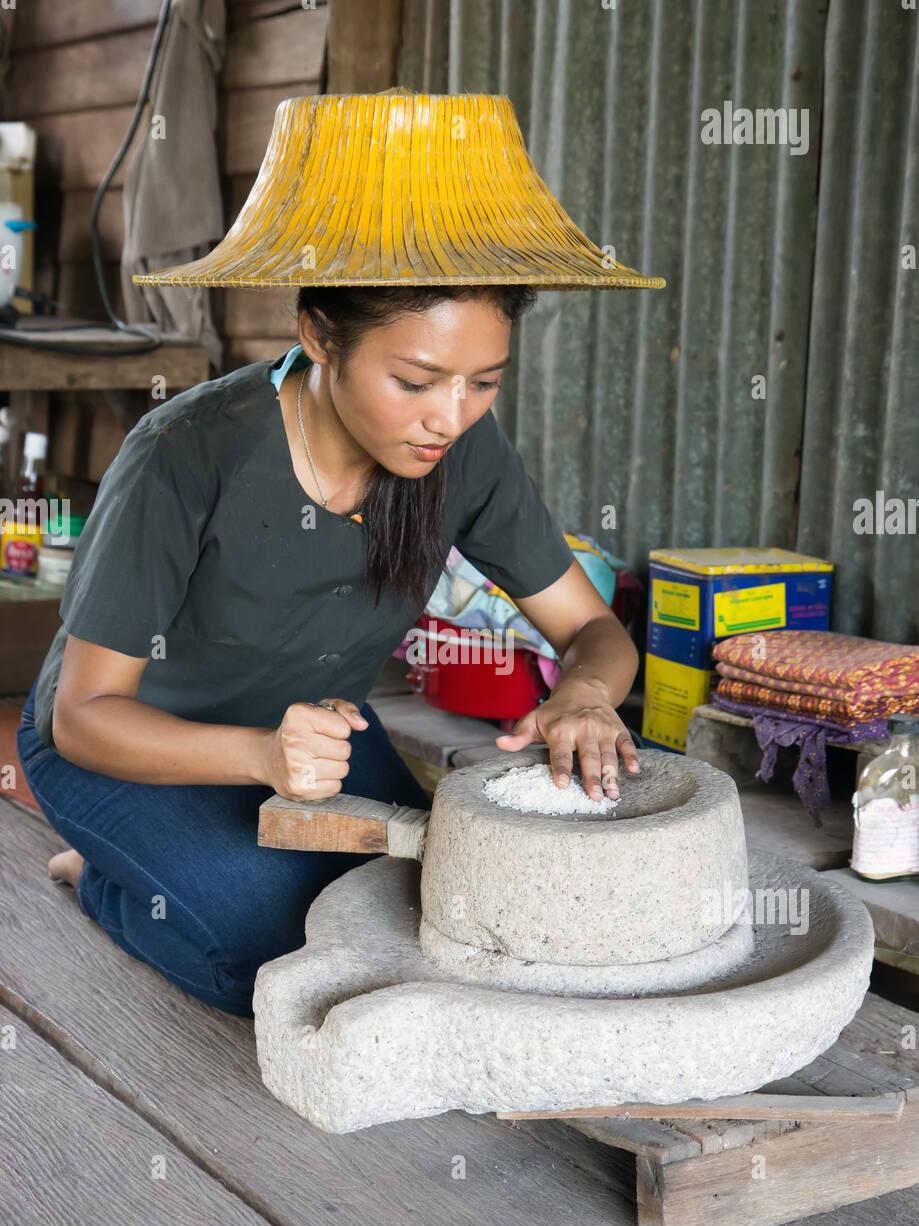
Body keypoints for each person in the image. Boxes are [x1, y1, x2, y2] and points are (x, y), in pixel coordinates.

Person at [17, 90, 663, 1019]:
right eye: (414, 380)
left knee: (428, 912)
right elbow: (84, 719)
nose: (450, 415)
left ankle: (166, 861)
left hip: (314, 739)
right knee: (287, 960)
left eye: (483, 381)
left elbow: (592, 627)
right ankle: (107, 875)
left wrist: (586, 694)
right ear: (318, 335)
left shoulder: (463, 452)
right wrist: (257, 756)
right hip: (126, 752)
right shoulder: (185, 453)